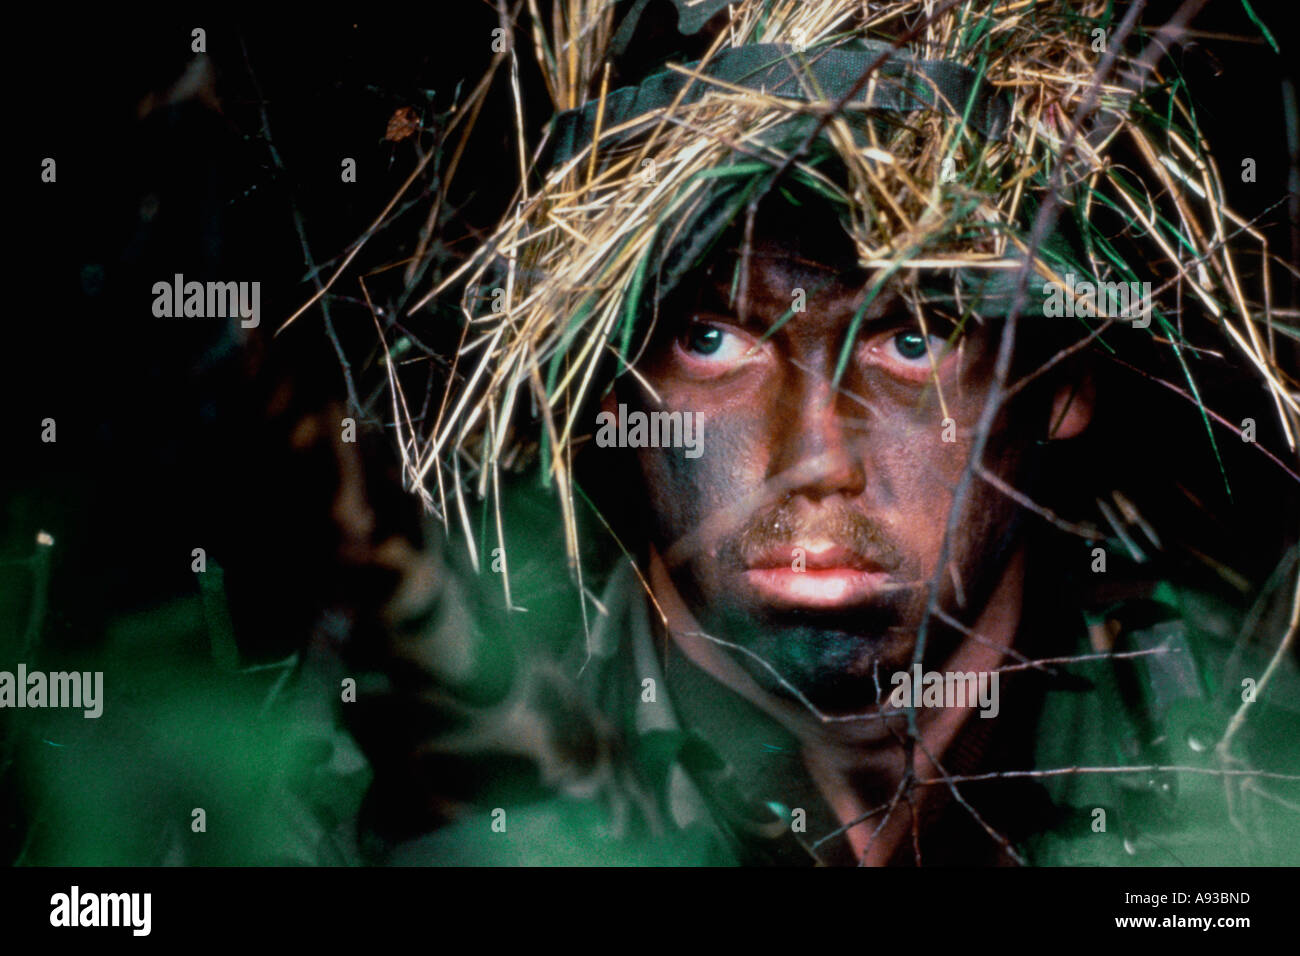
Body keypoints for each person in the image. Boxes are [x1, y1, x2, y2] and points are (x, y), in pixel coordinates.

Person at [343, 0, 1300, 866]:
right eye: (711, 339)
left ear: (1062, 385)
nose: (815, 459)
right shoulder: (384, 790)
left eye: (912, 340)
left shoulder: (1259, 753)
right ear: (602, 383)